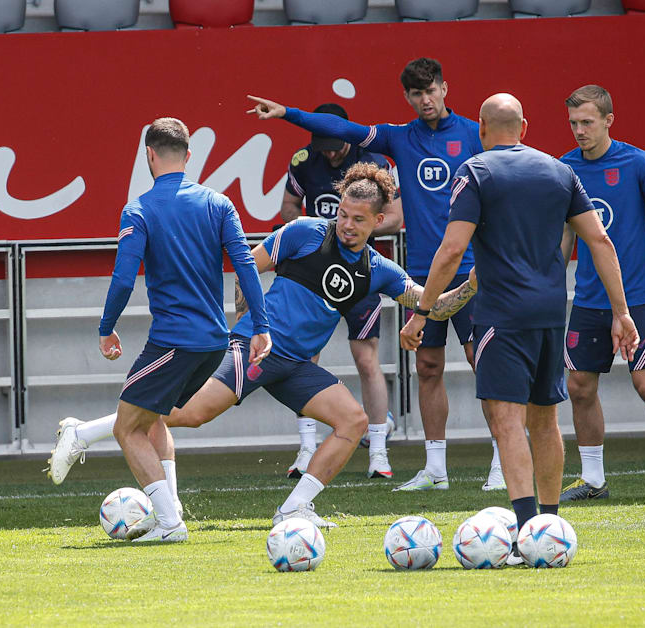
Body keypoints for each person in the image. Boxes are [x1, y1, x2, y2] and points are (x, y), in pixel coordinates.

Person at [47, 163, 477, 530]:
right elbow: (248, 267)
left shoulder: (379, 268)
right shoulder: (306, 232)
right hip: (259, 348)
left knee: (354, 421)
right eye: (343, 214)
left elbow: (433, 305)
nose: (347, 224)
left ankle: (294, 509)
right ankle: (83, 433)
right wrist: (247, 326)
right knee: (188, 414)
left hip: (296, 366)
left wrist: (473, 285)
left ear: (379, 221)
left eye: (358, 220)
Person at [249, 57, 509, 493]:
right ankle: (436, 469)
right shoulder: (399, 137)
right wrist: (287, 113)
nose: (425, 100)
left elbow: (502, 186)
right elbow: (344, 129)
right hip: (422, 272)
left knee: (483, 362)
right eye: (416, 94)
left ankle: (503, 463)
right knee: (427, 366)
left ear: (445, 88)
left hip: (470, 268)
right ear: (407, 97)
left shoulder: (473, 135)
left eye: (431, 90)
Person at [401, 94, 638, 540]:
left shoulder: (474, 171)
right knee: (545, 419)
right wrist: (621, 312)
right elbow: (600, 241)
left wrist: (422, 312)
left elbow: (452, 250)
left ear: (481, 129)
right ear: (524, 127)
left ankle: (527, 528)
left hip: (501, 316)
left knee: (508, 420)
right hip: (550, 312)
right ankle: (550, 526)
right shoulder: (561, 172)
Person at [64, 117, 271, 542]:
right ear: (189, 155)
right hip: (213, 343)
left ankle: (170, 524)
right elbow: (245, 265)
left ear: (149, 155)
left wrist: (106, 328)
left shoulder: (139, 209)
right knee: (153, 417)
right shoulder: (219, 204)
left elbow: (124, 279)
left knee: (126, 428)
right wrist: (261, 326)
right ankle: (170, 510)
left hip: (173, 342)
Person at [557, 85, 645, 502]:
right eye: (573, 123)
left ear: (608, 121)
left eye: (587, 122)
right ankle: (593, 480)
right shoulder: (564, 168)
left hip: (636, 298)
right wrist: (550, 278)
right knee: (579, 386)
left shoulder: (639, 163)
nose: (579, 130)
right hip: (588, 301)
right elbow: (565, 235)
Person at [281, 102, 404, 481]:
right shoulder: (304, 161)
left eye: (336, 146)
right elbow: (288, 207)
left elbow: (396, 217)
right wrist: (318, 232)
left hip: (360, 272)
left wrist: (354, 230)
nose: (331, 154)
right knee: (306, 357)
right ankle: (307, 447)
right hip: (315, 274)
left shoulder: (374, 164)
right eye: (324, 147)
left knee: (366, 358)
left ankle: (378, 450)